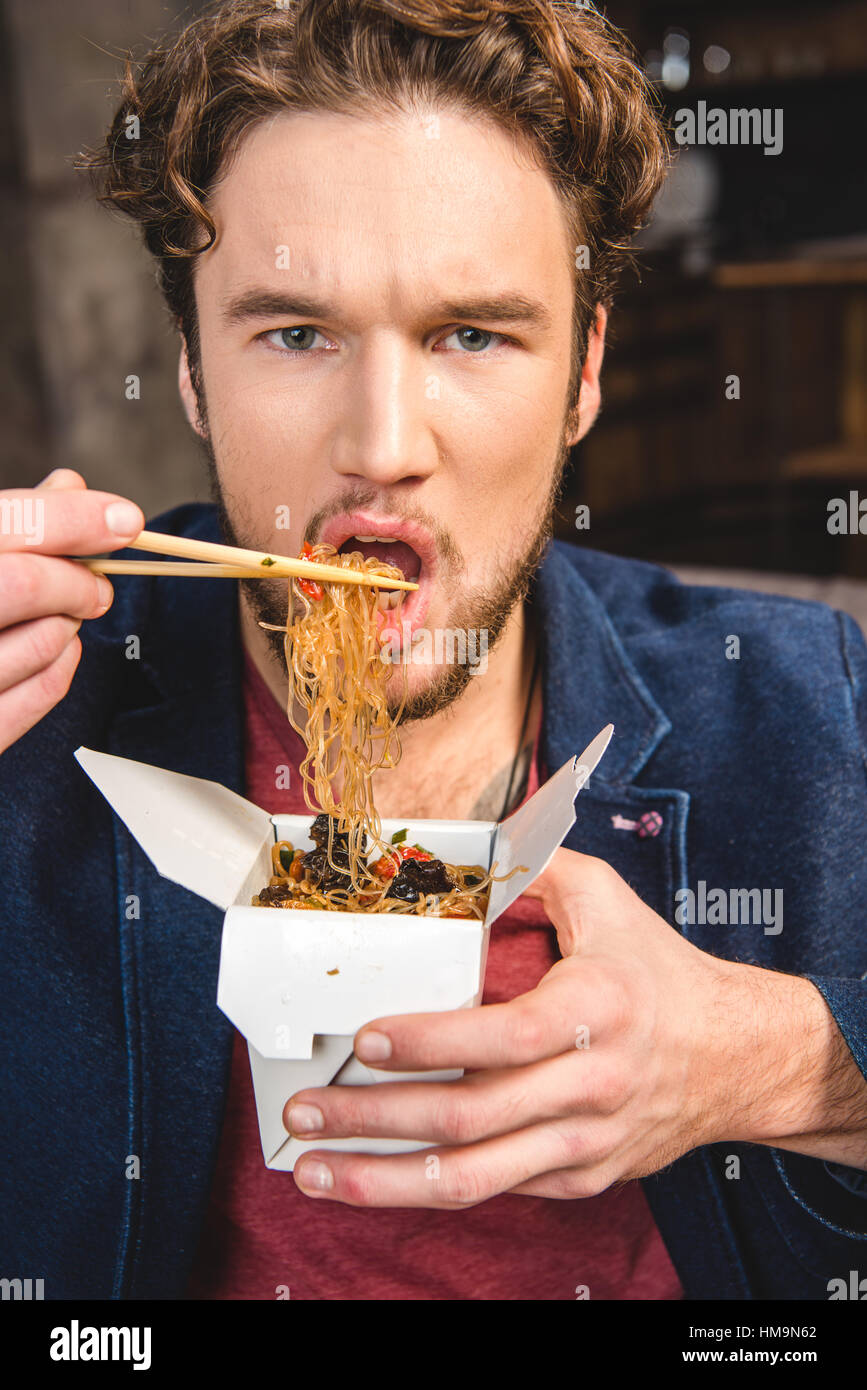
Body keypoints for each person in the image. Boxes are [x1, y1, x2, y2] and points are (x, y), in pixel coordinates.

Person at [1, 0, 865, 1302]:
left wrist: (786, 1062)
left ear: (583, 372)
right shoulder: (42, 714)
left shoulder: (804, 709)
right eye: (296, 332)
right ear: (189, 369)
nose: (384, 441)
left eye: (472, 334)